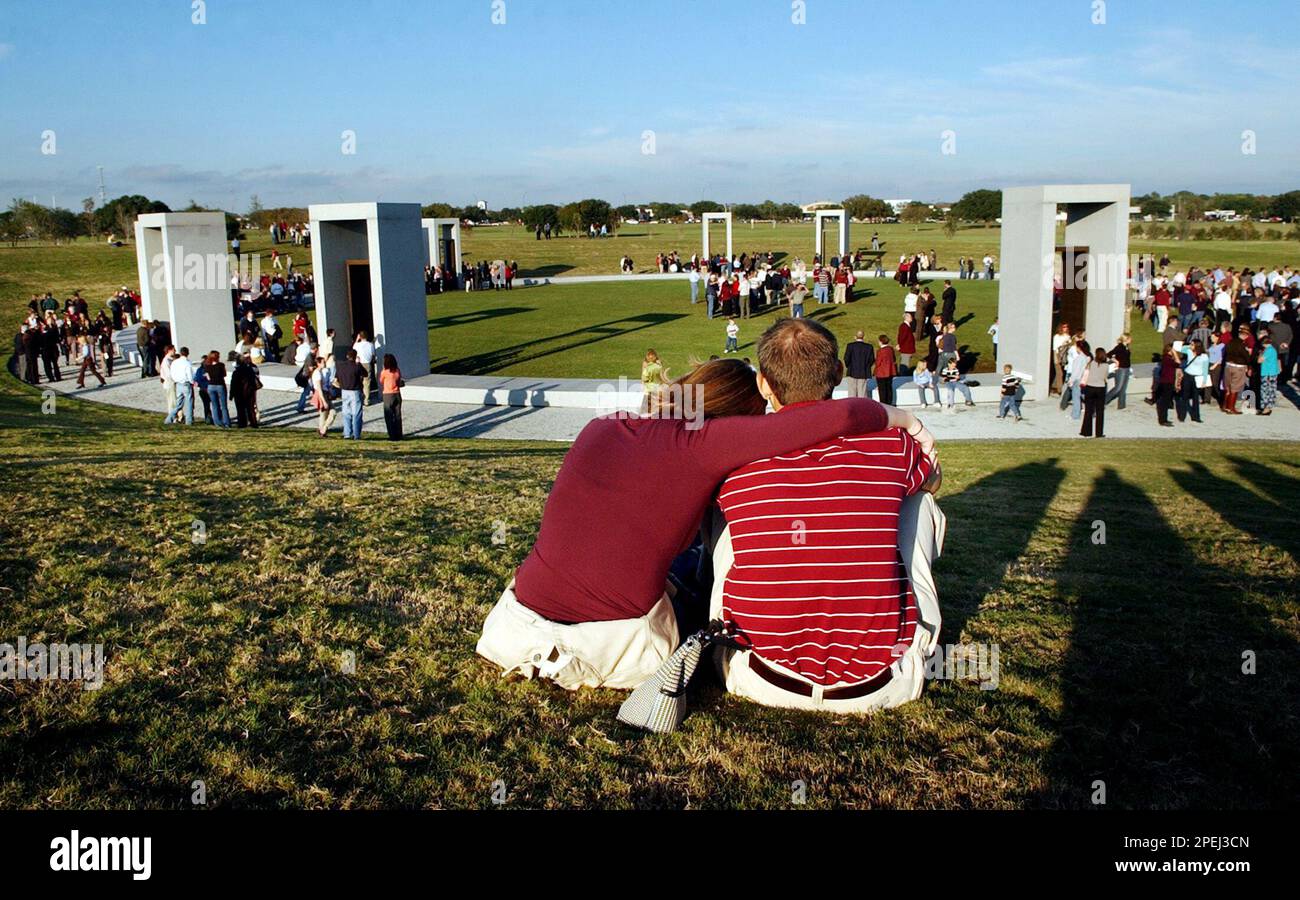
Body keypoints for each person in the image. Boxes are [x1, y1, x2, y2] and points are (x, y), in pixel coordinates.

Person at [476, 347, 933, 691]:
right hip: (618, 642)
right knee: (703, 565)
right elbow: (838, 414)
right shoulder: (707, 442)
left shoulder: (604, 425)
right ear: (739, 418)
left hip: (522, 617)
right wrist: (901, 417)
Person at [705, 318, 942, 714]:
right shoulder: (889, 444)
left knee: (729, 515)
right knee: (918, 501)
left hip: (759, 675)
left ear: (763, 383)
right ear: (838, 373)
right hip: (880, 681)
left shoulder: (736, 453)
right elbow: (934, 479)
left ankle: (742, 619)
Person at [335, 348, 367, 439]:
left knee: (346, 412)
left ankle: (347, 433)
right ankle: (356, 434)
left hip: (344, 391)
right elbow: (365, 374)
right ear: (355, 357)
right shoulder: (357, 367)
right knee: (356, 413)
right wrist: (359, 363)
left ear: (347, 356)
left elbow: (336, 378)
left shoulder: (341, 366)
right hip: (355, 391)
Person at [1079, 347, 1109, 437]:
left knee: (1089, 410)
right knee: (1100, 411)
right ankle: (1099, 433)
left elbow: (1086, 371)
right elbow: (1105, 377)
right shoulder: (1106, 366)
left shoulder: (1091, 363)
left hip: (1090, 387)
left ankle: (1086, 431)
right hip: (1100, 387)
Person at [164, 347, 195, 425]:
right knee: (189, 403)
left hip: (178, 384)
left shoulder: (175, 362)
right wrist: (192, 382)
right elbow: (190, 375)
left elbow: (172, 373)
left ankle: (169, 419)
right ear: (188, 353)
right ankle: (189, 421)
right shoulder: (187, 363)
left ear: (180, 353)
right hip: (186, 384)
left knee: (179, 404)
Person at [230, 353, 260, 428]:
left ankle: (242, 423)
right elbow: (253, 381)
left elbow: (233, 384)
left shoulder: (236, 372)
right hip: (249, 392)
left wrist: (231, 394)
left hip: (239, 393)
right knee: (250, 409)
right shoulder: (250, 370)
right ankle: (253, 423)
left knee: (240, 410)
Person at [203, 351, 231, 428]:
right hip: (220, 385)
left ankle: (217, 422)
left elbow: (207, 377)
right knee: (224, 406)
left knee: (214, 405)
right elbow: (224, 374)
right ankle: (226, 422)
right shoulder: (221, 365)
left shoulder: (207, 366)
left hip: (211, 386)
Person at [843, 330, 874, 398]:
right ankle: (862, 408)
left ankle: (852, 407)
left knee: (852, 393)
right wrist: (866, 367)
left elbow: (846, 358)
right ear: (864, 337)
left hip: (852, 371)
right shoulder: (869, 347)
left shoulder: (850, 346)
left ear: (855, 337)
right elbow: (871, 360)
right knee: (862, 393)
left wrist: (848, 366)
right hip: (863, 372)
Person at [379, 353, 404, 440]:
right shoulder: (397, 370)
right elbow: (399, 379)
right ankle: (399, 434)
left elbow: (381, 381)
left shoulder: (385, 372)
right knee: (397, 415)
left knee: (389, 416)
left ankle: (392, 435)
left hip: (388, 394)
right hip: (397, 393)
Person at [1105, 333, 1132, 408]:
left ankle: (1121, 405)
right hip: (1121, 369)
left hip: (1127, 368)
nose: (1131, 340)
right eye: (1129, 338)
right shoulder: (1119, 347)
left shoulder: (1126, 347)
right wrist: (1116, 361)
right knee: (1118, 388)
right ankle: (1104, 401)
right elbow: (1109, 354)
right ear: (1126, 339)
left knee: (1123, 388)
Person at [1155, 343, 1179, 426]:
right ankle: (1163, 420)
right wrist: (1175, 354)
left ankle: (1163, 419)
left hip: (1165, 381)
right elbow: (1178, 363)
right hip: (1167, 382)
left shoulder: (1165, 358)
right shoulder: (1168, 359)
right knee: (1165, 402)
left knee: (1164, 401)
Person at [1256, 331, 1279, 415]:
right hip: (1272, 372)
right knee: (1271, 390)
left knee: (1265, 390)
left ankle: (1266, 408)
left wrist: (1260, 353)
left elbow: (1259, 360)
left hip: (1267, 373)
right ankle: (1268, 407)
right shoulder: (1273, 349)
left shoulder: (1268, 350)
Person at [353, 331, 377, 405]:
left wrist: (357, 339)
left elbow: (353, 349)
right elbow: (373, 355)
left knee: (358, 381)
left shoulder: (357, 345)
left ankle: (358, 397)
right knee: (367, 382)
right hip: (367, 363)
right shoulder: (370, 345)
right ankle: (366, 399)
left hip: (358, 363)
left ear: (360, 336)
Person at [874, 334, 897, 405]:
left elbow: (878, 362)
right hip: (890, 371)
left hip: (881, 373)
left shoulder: (880, 351)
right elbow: (894, 359)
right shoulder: (890, 349)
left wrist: (874, 370)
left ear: (881, 341)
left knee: (882, 390)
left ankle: (883, 404)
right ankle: (889, 403)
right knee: (889, 388)